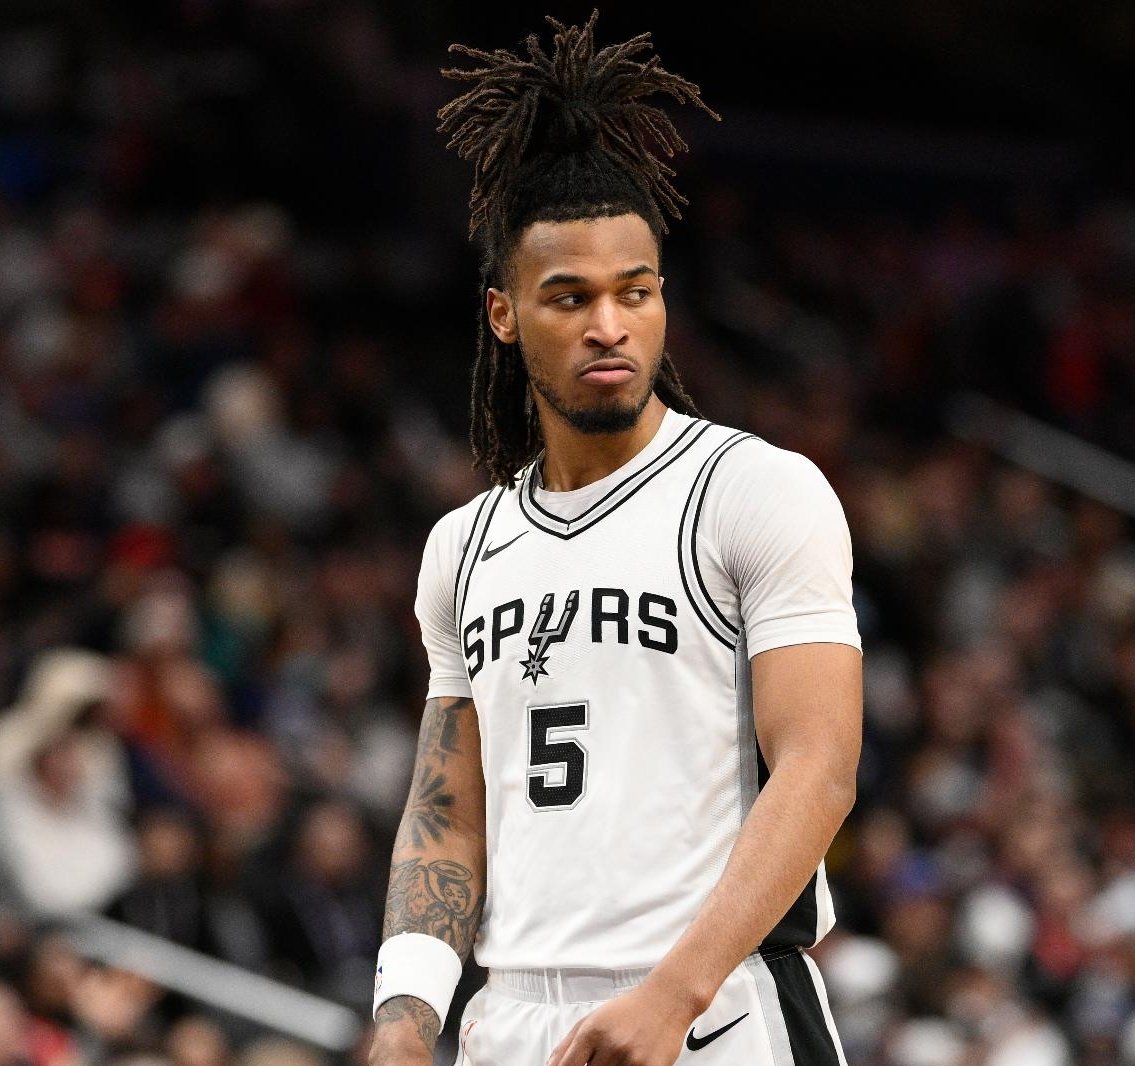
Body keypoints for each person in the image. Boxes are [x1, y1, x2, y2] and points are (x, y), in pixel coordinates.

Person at [367, 11, 863, 1066]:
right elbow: (447, 816)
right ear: (503, 315)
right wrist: (405, 1019)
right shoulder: (463, 546)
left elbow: (818, 768)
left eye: (635, 292)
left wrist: (672, 996)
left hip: (715, 1006)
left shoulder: (752, 490)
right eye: (570, 297)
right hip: (510, 1018)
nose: (609, 325)